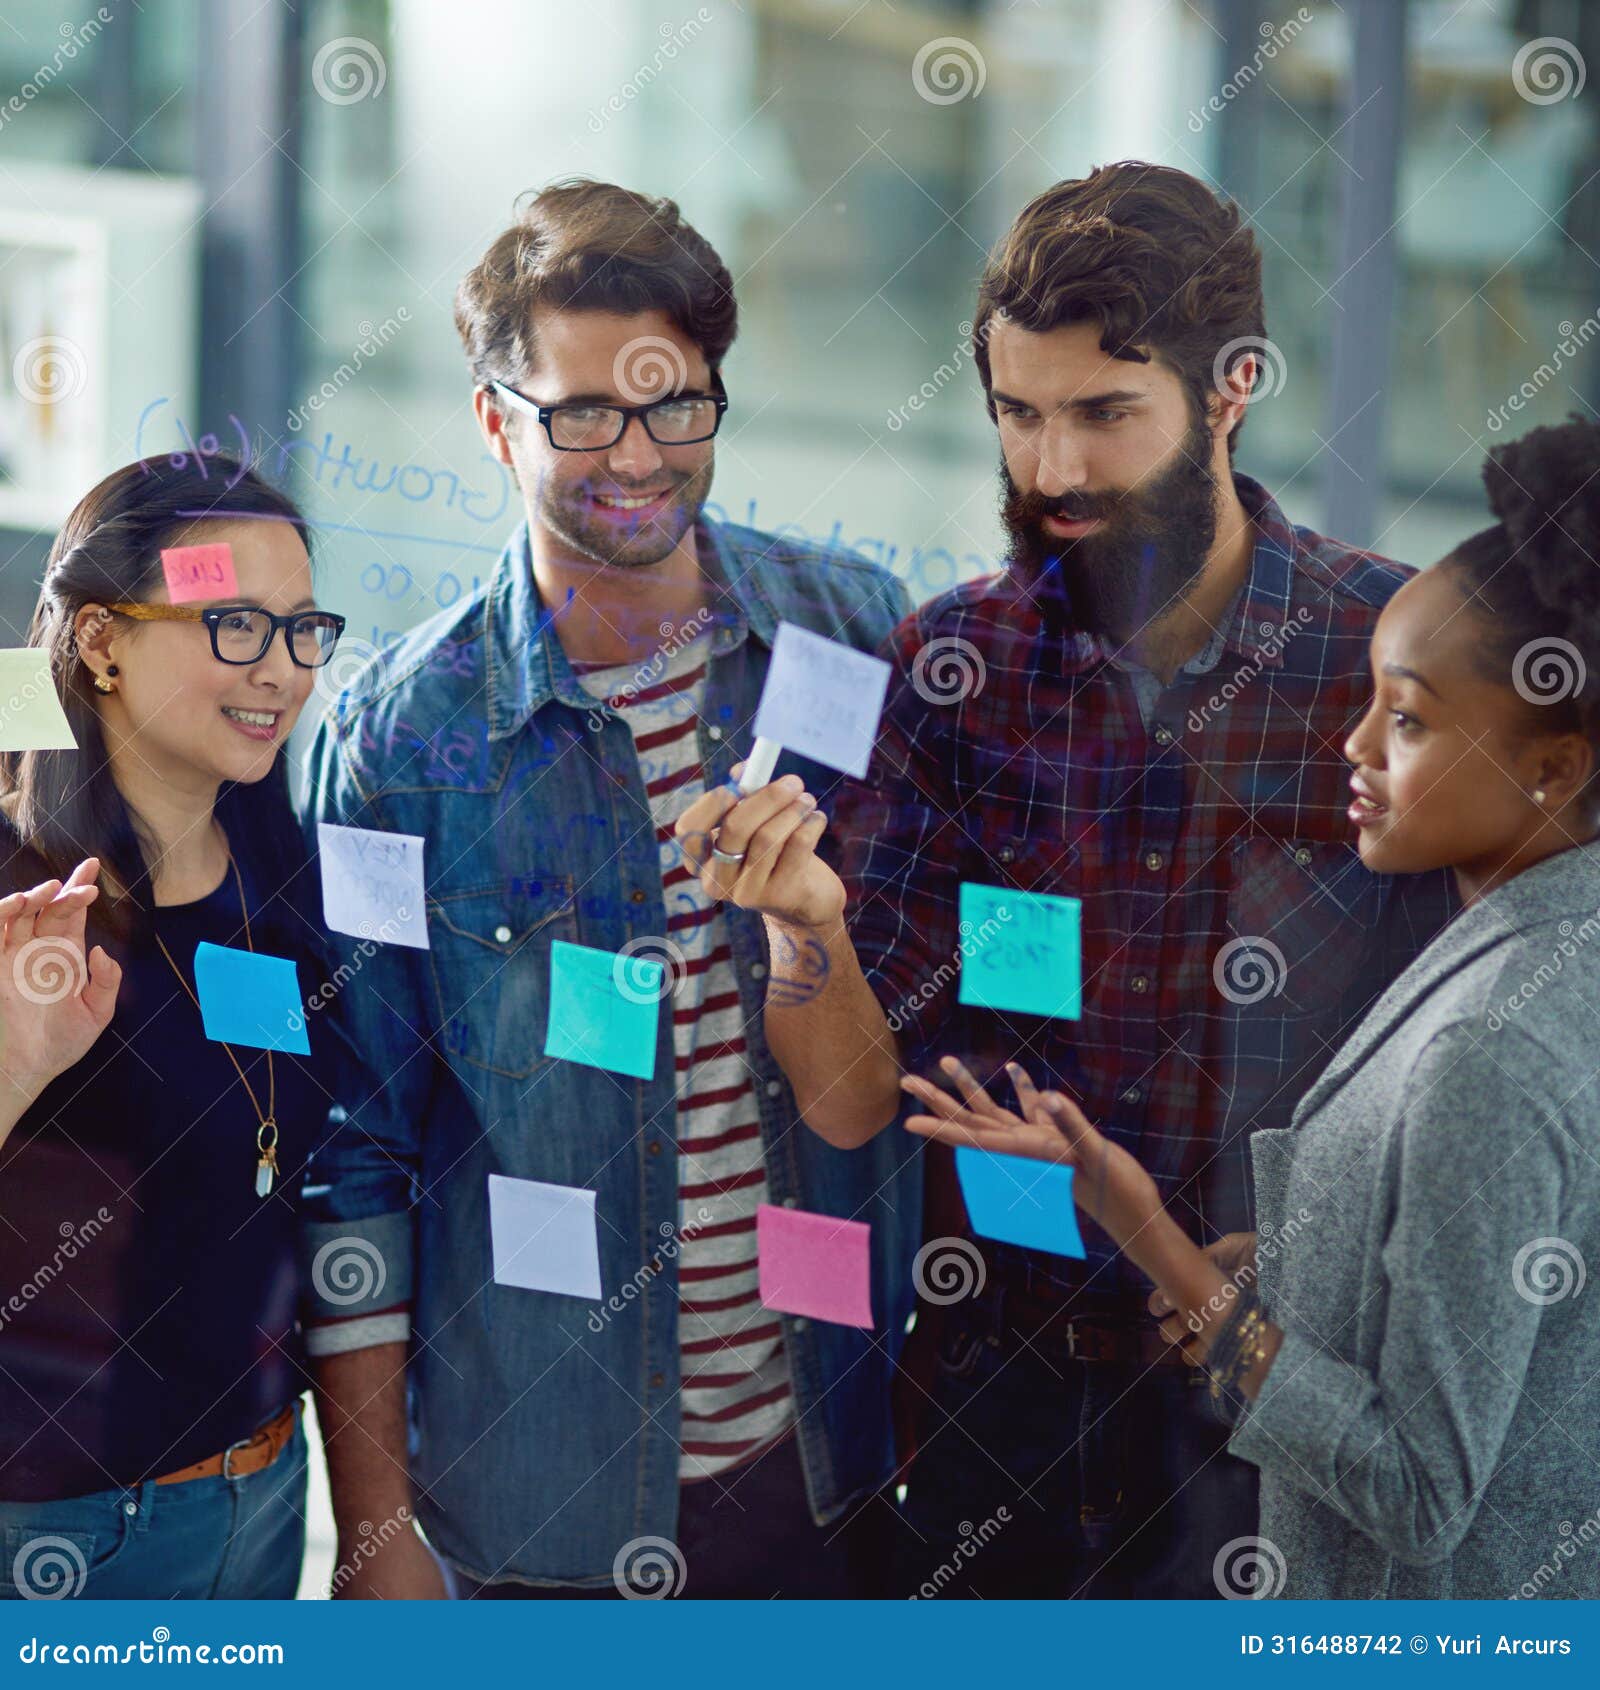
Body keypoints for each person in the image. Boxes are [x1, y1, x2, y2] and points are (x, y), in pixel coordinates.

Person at [674, 160, 1458, 1598]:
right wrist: (808, 930)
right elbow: (851, 1097)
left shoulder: (1389, 655)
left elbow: (1494, 1038)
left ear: (1230, 388)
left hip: (1288, 1393)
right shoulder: (953, 669)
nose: (1054, 472)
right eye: (1018, 415)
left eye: (1105, 414)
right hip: (1003, 1404)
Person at [299, 178, 918, 1598]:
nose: (635, 455)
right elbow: (358, 1157)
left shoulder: (857, 639)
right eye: (582, 414)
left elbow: (895, 1081)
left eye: (676, 404)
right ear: (492, 418)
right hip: (540, 1504)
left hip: (828, 1464)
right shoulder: (401, 741)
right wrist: (378, 1536)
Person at [900, 413, 1600, 1601]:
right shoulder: (1544, 950)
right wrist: (1277, 1264)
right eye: (1372, 700)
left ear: (1551, 766)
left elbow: (1416, 1488)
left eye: (1410, 717)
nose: (1355, 743)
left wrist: (1153, 1240)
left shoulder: (1490, 1039)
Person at [0, 456, 344, 1598]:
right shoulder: (15, 879)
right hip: (59, 1530)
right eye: (235, 624)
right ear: (98, 642)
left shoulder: (277, 859)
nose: (283, 671)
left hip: (260, 1491)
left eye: (303, 629)